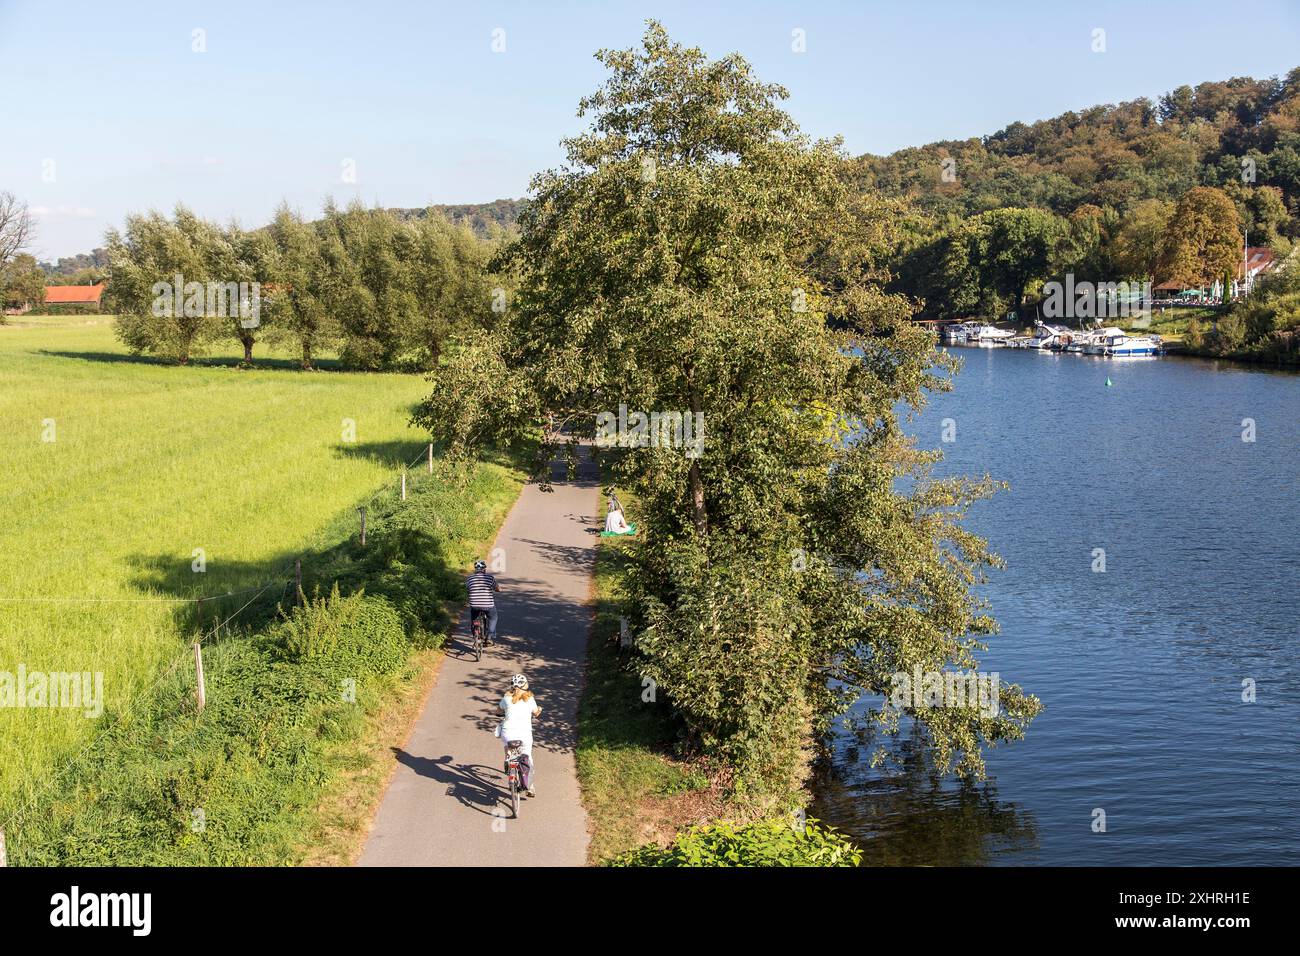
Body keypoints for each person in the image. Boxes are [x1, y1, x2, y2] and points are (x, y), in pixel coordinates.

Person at [497, 674, 541, 797]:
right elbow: (536, 713)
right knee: (527, 757)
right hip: (524, 733)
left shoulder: (506, 698)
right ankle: (530, 787)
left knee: (509, 745)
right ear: (525, 685)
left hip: (507, 732)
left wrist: (502, 712)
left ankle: (508, 758)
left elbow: (498, 711)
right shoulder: (530, 699)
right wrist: (540, 710)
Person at [465, 559, 499, 645]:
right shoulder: (490, 578)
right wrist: (498, 589)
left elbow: (468, 589)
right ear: (484, 569)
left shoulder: (469, 578)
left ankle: (475, 636)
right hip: (488, 605)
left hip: (474, 604)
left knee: (474, 619)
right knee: (493, 618)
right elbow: (497, 588)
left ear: (475, 569)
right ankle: (489, 638)